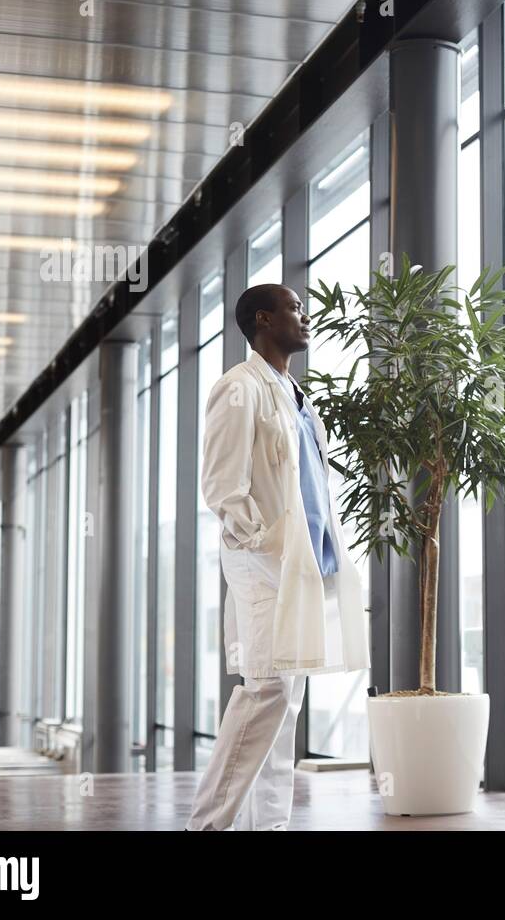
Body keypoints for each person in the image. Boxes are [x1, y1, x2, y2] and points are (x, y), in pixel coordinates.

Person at [185, 283, 370, 831]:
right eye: (294, 308)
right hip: (265, 563)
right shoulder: (238, 388)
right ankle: (207, 824)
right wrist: (263, 540)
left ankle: (267, 824)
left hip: (305, 564)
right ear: (263, 320)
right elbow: (222, 487)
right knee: (266, 689)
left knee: (287, 696)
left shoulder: (296, 395)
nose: (305, 315)